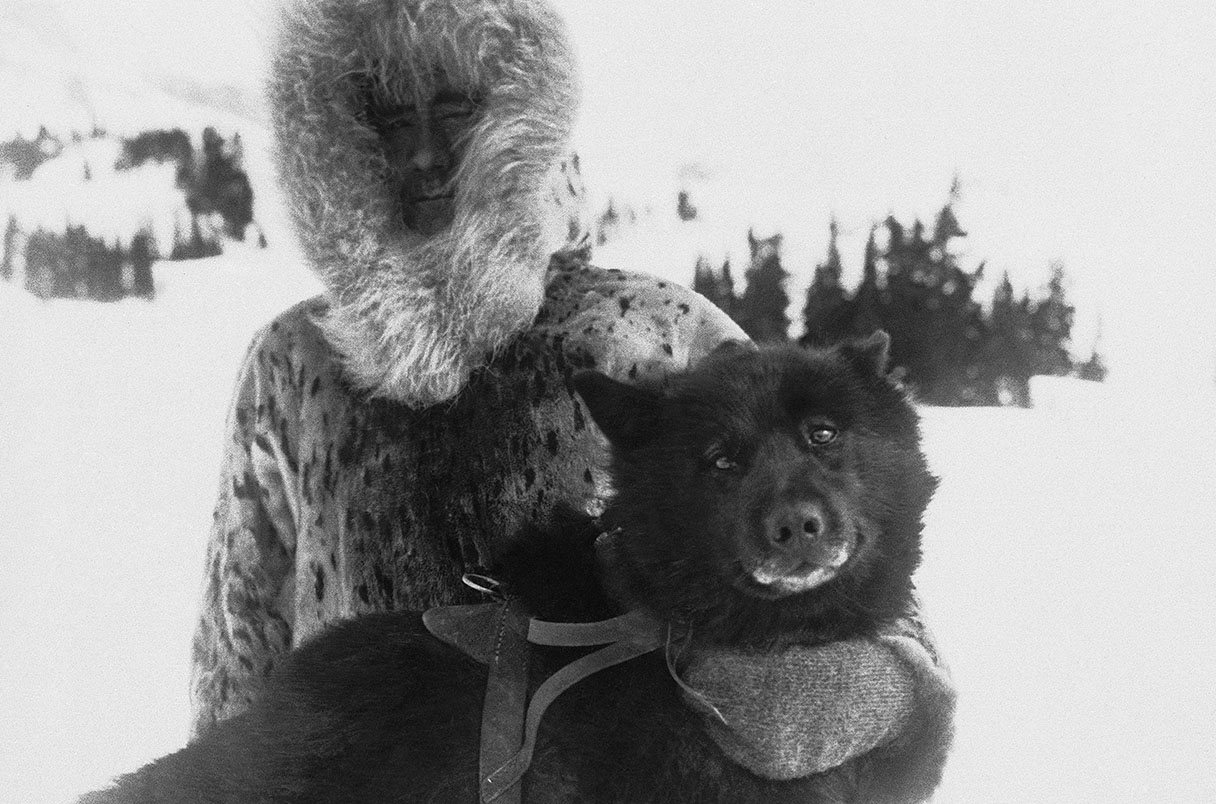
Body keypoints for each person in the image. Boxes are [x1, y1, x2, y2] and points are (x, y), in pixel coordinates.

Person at [190, 0, 954, 789]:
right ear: (333, 143)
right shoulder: (291, 365)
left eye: (456, 109)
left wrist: (880, 686)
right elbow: (241, 635)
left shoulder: (648, 330)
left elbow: (856, 561)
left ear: (526, 123)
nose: (421, 153)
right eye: (386, 119)